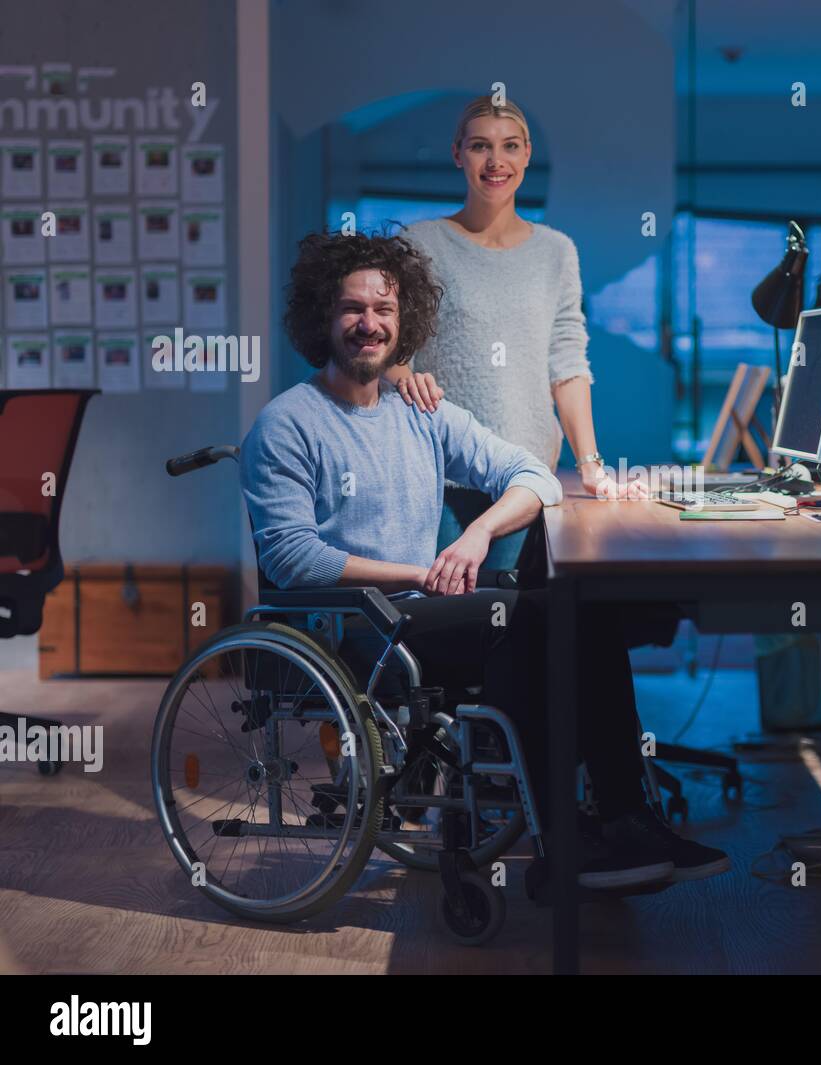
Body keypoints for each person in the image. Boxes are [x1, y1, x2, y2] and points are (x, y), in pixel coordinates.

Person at [240, 231, 729, 891]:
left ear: (403, 319)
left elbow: (535, 476)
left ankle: (626, 818)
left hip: (421, 613)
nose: (369, 324)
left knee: (579, 605)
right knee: (529, 623)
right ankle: (563, 839)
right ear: (320, 318)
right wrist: (417, 575)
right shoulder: (286, 424)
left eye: (384, 310)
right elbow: (293, 557)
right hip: (355, 626)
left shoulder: (421, 412)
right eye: (352, 309)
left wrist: (474, 537)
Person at [385, 94, 646, 571]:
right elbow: (391, 346)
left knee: (511, 623)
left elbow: (567, 363)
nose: (495, 161)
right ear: (457, 154)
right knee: (449, 621)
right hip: (439, 474)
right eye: (481, 146)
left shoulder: (556, 252)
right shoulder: (418, 244)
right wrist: (404, 375)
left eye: (509, 146)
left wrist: (591, 466)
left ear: (527, 154)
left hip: (526, 478)